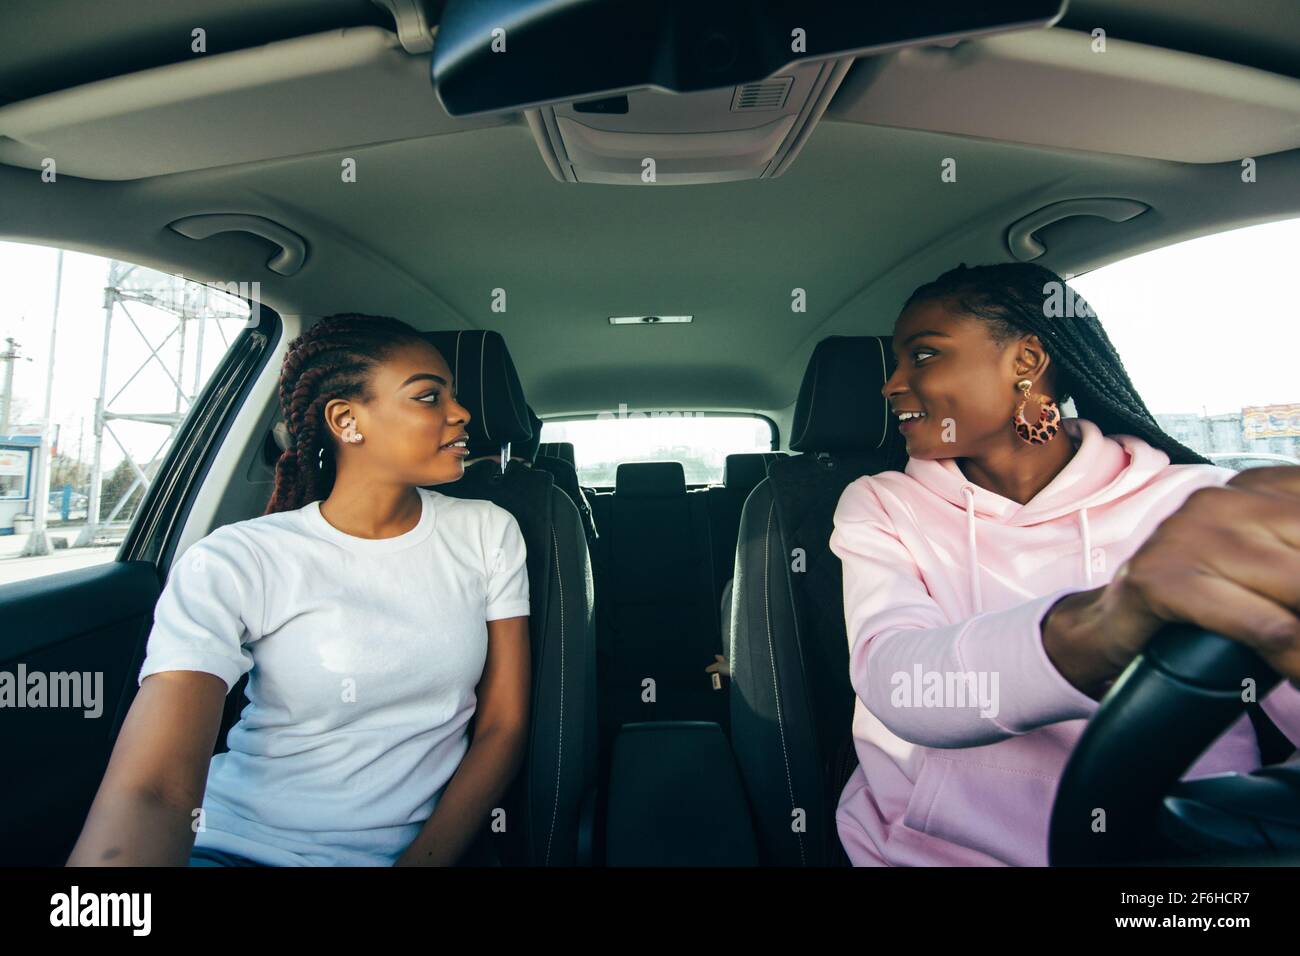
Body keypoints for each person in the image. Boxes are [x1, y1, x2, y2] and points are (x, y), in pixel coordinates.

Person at [831, 263, 1300, 867]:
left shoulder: (1197, 503)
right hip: (931, 853)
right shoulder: (882, 504)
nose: (891, 384)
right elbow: (897, 683)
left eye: (922, 356)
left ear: (1025, 362)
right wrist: (1106, 622)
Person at [67, 313, 531, 866]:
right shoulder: (236, 557)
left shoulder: (486, 531)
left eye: (452, 395)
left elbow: (503, 726)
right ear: (346, 419)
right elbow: (155, 788)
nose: (461, 413)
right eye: (430, 397)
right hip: (229, 848)